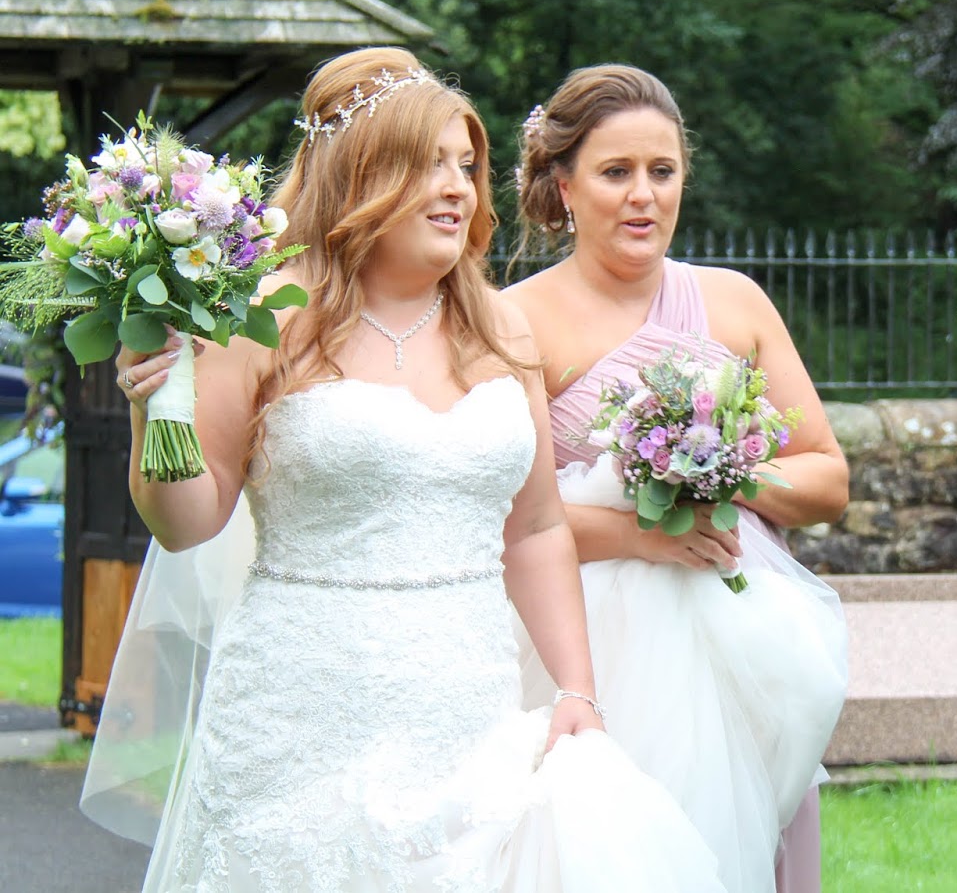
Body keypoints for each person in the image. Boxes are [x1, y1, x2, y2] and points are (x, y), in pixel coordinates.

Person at [83, 47, 725, 892]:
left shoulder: (500, 330)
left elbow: (533, 531)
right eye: (430, 164)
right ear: (362, 173)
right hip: (298, 710)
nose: (460, 186)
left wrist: (578, 690)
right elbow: (188, 522)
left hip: (465, 701)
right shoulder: (261, 319)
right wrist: (150, 408)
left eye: (467, 164)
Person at [501, 64, 850, 893]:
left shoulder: (734, 303)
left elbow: (827, 477)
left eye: (662, 172)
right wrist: (645, 534)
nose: (643, 196)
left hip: (738, 637)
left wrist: (724, 471)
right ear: (564, 184)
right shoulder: (515, 322)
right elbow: (507, 518)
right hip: (586, 640)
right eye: (615, 173)